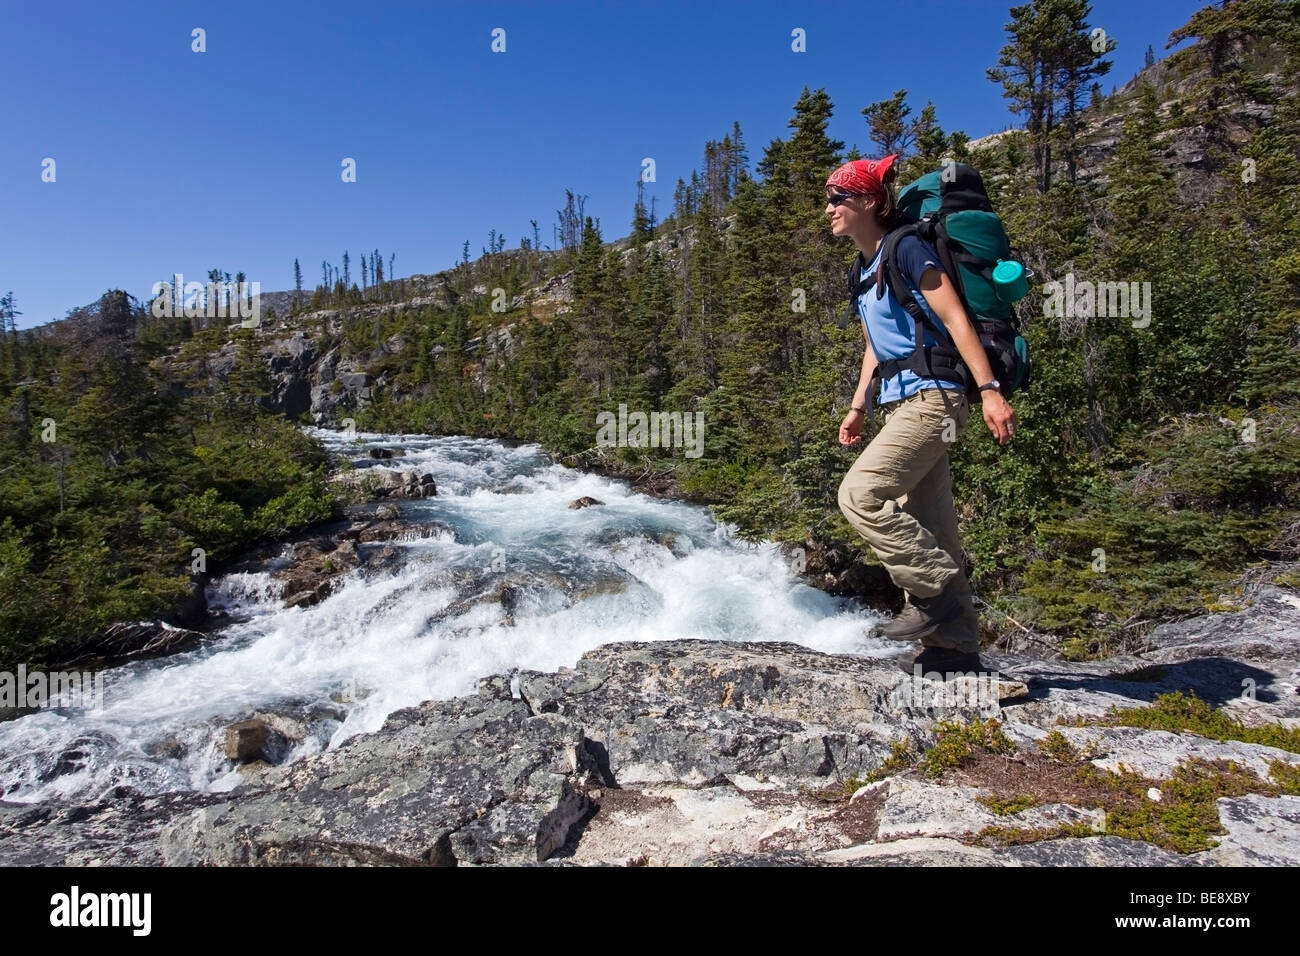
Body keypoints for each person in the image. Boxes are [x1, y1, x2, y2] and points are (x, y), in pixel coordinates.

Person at [826, 155, 1017, 673]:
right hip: (900, 400)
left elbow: (956, 318)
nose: (829, 208)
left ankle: (932, 597)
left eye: (838, 197)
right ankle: (956, 649)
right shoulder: (863, 270)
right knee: (934, 522)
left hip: (938, 396)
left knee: (860, 495)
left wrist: (990, 389)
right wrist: (858, 405)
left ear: (868, 201)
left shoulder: (906, 248)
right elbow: (875, 345)